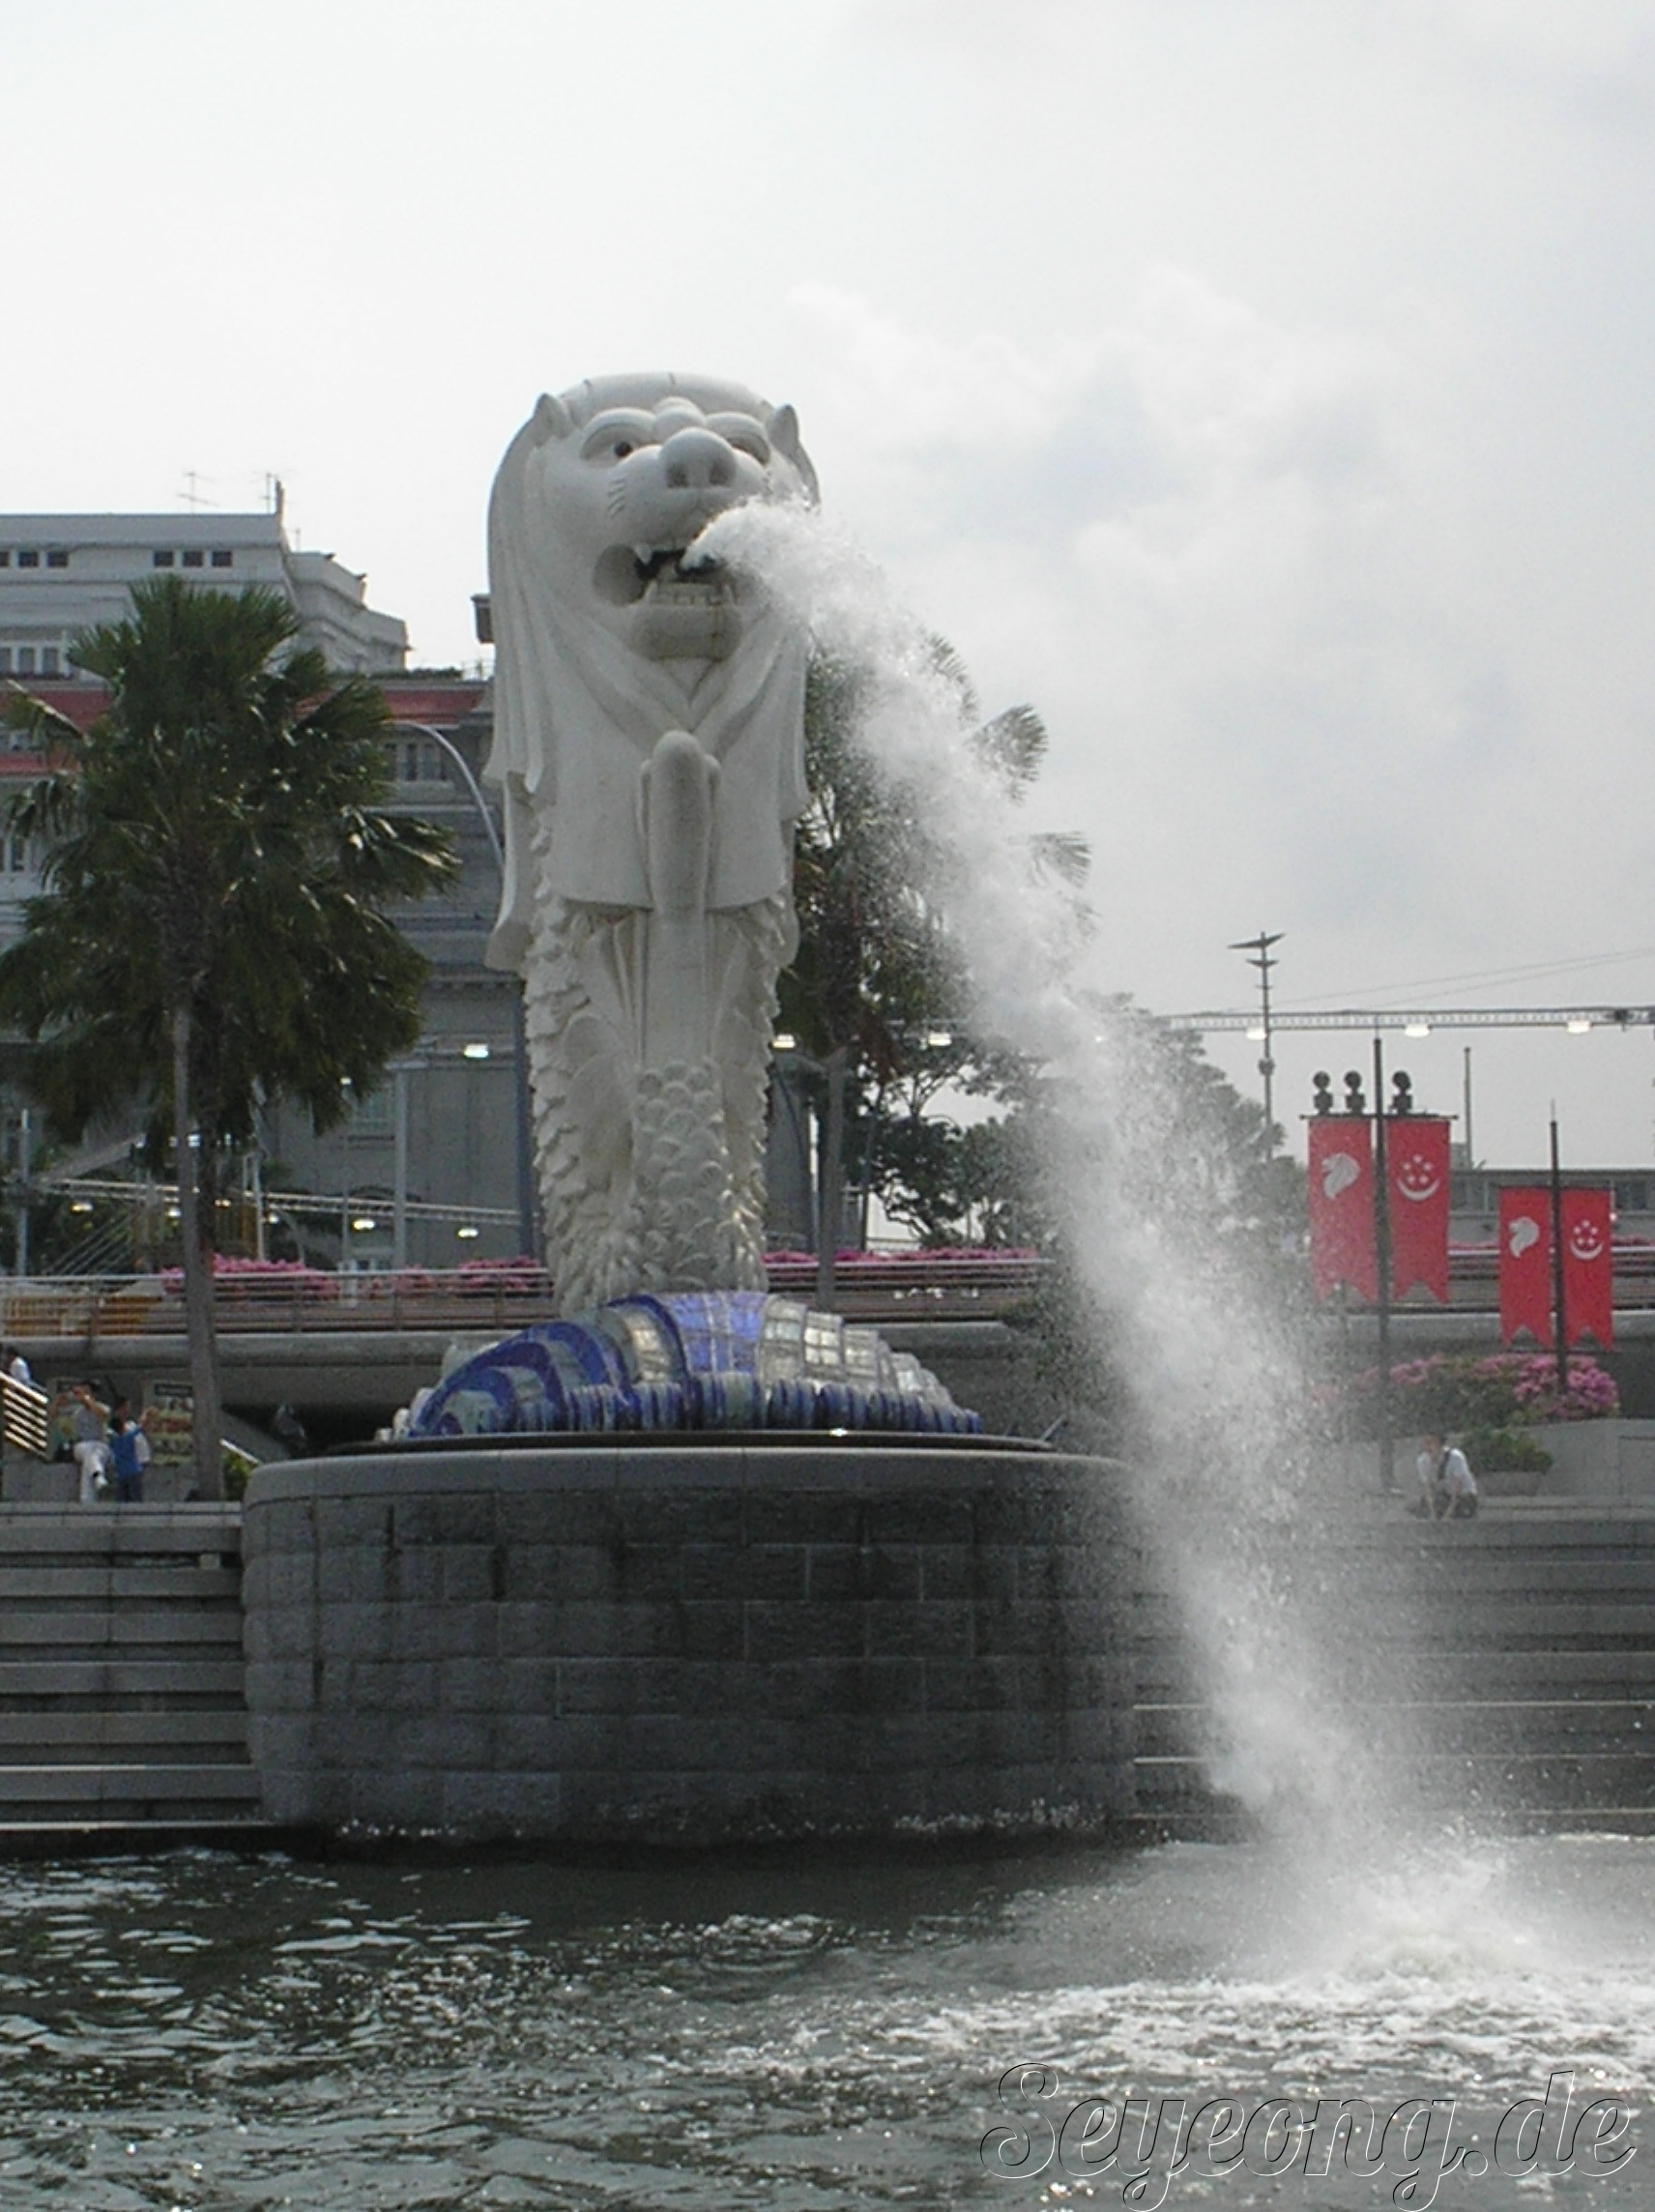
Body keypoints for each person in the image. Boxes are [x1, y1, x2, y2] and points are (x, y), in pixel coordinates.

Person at [1413, 1429, 1478, 1521]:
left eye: (1431, 1442)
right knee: (1418, 1507)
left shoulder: (1455, 1457)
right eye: (1425, 1443)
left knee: (1462, 1507)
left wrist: (1448, 1515)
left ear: (1440, 1444)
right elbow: (1427, 1488)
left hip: (1462, 1496)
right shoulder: (1422, 1461)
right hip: (1443, 1496)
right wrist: (1432, 1513)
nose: (1428, 1447)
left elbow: (1457, 1488)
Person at [69, 1383, 111, 1504]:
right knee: (88, 1450)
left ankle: (87, 1499)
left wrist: (88, 1400)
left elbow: (102, 1415)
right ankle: (98, 1475)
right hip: (81, 1446)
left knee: (89, 1459)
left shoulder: (102, 1407)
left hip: (100, 1446)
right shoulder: (76, 1413)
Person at [106, 1400, 151, 1505]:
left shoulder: (114, 1440)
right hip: (133, 1471)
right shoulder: (128, 1436)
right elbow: (141, 1426)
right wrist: (146, 1414)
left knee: (121, 1499)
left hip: (121, 1473)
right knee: (135, 1498)